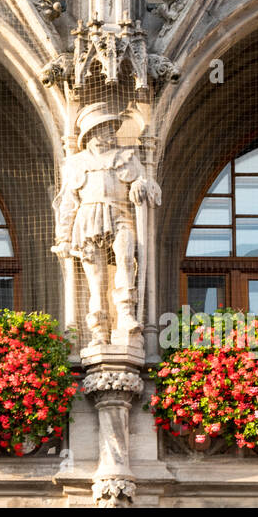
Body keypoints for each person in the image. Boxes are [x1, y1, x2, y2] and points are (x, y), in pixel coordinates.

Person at [53, 103, 160, 343]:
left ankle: (125, 315)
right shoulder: (75, 163)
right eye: (106, 128)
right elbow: (68, 203)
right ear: (92, 133)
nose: (112, 133)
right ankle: (99, 329)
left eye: (113, 128)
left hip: (120, 213)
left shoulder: (127, 157)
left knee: (125, 260)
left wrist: (141, 185)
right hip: (88, 219)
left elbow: (150, 188)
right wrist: (64, 238)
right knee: (96, 278)